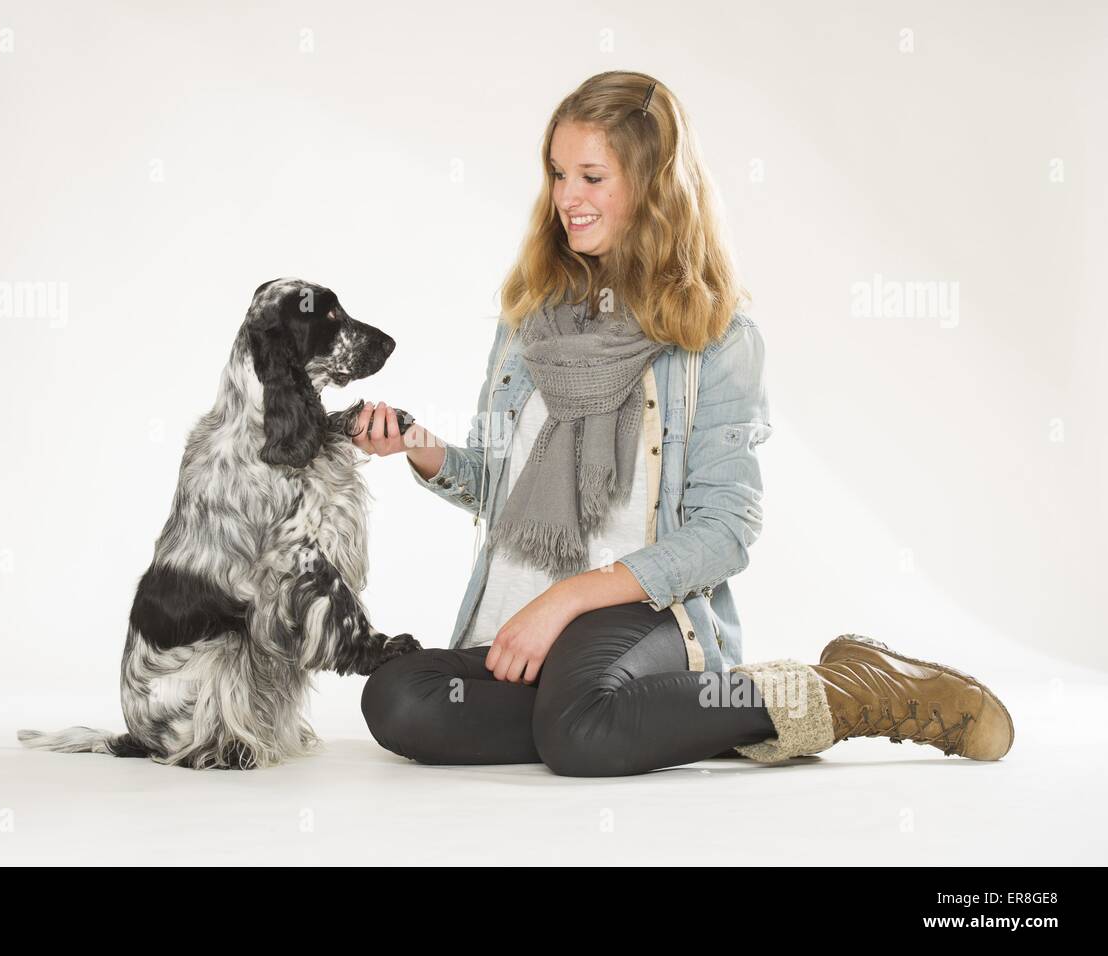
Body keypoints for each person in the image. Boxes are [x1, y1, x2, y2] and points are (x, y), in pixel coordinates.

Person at [349, 71, 1014, 776]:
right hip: (522, 626)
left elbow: (725, 529)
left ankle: (841, 691)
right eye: (557, 173)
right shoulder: (529, 324)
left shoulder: (715, 339)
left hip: (640, 616)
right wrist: (417, 447)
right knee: (399, 699)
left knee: (577, 733)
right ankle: (662, 718)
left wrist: (571, 597)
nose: (565, 198)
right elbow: (500, 491)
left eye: (591, 176)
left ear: (652, 183)